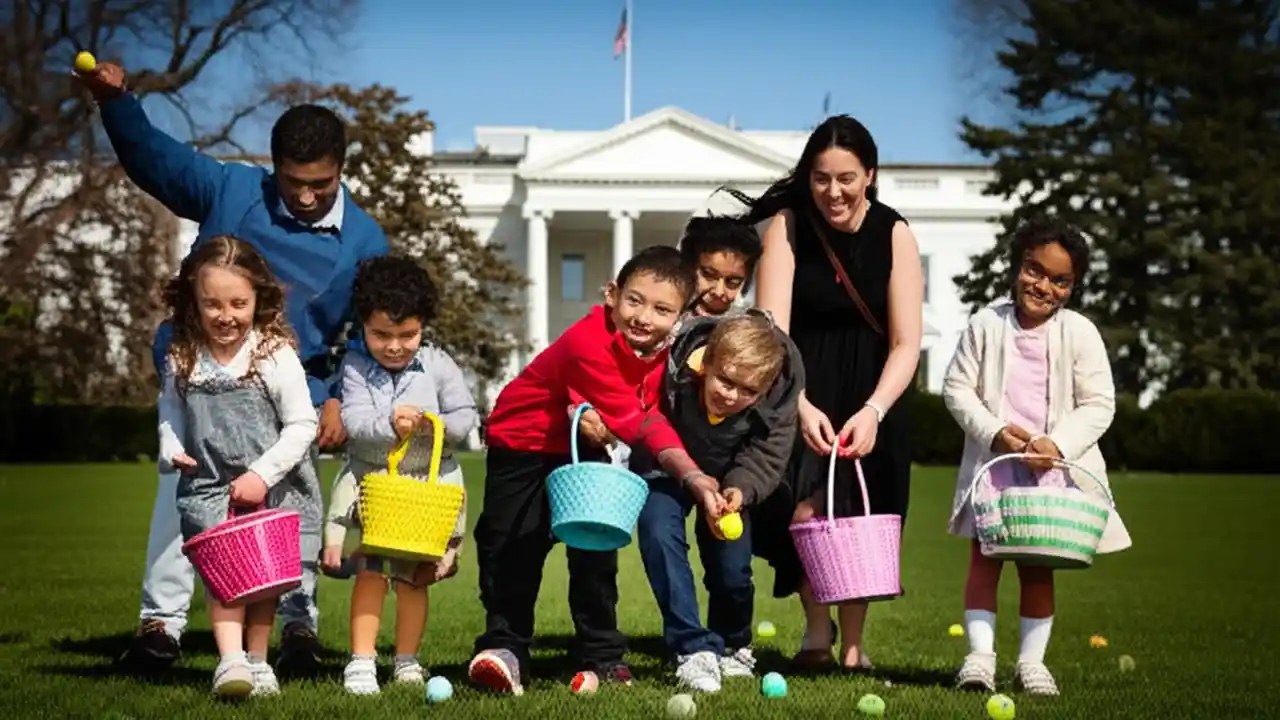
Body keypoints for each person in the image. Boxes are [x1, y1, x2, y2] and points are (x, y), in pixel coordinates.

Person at [76, 61, 389, 674]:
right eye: (294, 181)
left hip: (286, 389)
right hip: (202, 376)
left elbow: (365, 332)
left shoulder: (365, 240)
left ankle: (298, 630)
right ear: (274, 167)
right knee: (185, 494)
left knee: (290, 509)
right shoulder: (232, 190)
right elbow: (154, 159)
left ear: (341, 171)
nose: (305, 195)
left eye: (320, 184)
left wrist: (334, 398)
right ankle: (161, 628)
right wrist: (117, 102)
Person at [468, 246, 712, 696]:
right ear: (612, 294)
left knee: (596, 549)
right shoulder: (587, 340)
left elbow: (649, 409)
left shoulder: (668, 354)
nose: (642, 317)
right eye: (634, 300)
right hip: (523, 445)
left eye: (661, 309)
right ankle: (505, 649)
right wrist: (691, 474)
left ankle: (602, 654)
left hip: (584, 445)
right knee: (512, 548)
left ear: (678, 318)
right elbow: (640, 422)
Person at [737, 114, 924, 671]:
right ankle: (816, 636)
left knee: (861, 516)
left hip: (875, 393)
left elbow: (906, 342)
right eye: (821, 178)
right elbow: (771, 335)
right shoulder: (788, 228)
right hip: (799, 386)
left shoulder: (896, 233)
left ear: (869, 174)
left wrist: (874, 410)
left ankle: (855, 645)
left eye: (846, 178)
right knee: (805, 509)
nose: (833, 191)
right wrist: (797, 403)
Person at [942, 219, 1132, 696]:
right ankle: (979, 659)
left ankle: (1031, 663)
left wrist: (1058, 444)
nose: (1042, 285)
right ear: (1017, 265)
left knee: (1038, 566)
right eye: (1034, 270)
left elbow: (1098, 402)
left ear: (1072, 287)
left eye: (1059, 279)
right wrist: (995, 433)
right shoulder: (986, 323)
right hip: (995, 471)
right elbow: (957, 388)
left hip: (1050, 474)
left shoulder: (1080, 332)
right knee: (983, 563)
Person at [156, 236, 319, 697]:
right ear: (193, 302)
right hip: (209, 482)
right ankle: (230, 661)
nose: (226, 315)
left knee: (263, 577)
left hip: (269, 482)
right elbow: (170, 408)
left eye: (238, 303)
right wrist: (171, 444)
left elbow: (302, 423)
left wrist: (260, 476)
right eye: (212, 304)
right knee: (223, 575)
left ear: (258, 300)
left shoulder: (271, 354)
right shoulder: (184, 355)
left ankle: (259, 659)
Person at [320, 256, 477, 695]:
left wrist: (434, 427)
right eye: (381, 335)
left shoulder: (438, 364)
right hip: (376, 490)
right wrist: (390, 423)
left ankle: (407, 659)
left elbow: (465, 416)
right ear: (363, 327)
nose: (394, 346)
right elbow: (353, 419)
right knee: (371, 574)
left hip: (426, 495)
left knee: (414, 580)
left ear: (423, 325)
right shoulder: (355, 368)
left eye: (407, 335)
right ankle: (362, 661)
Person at [632, 311, 803, 693]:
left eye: (747, 391)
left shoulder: (779, 395)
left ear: (765, 388)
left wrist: (738, 491)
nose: (731, 395)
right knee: (657, 530)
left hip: (729, 481)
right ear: (706, 362)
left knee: (732, 567)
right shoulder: (674, 366)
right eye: (725, 380)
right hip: (668, 466)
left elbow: (768, 455)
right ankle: (692, 649)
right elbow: (646, 413)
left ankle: (733, 643)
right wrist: (689, 476)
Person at [679, 214, 764, 318]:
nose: (719, 292)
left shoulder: (753, 327)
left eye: (733, 282)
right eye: (709, 275)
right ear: (689, 268)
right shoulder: (668, 321)